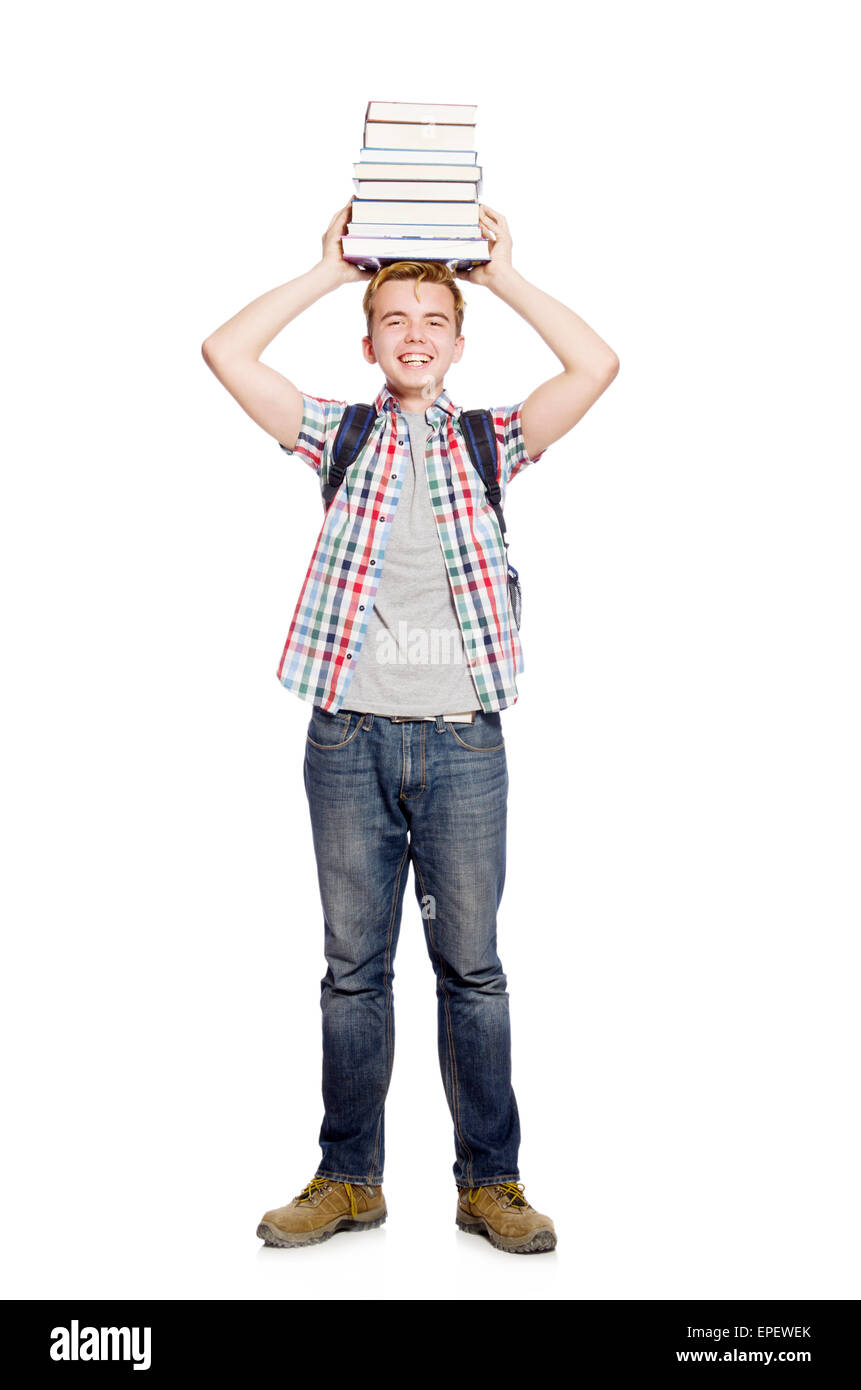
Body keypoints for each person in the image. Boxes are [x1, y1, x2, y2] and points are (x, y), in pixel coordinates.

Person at [202, 200, 619, 1255]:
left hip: (464, 742)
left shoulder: (492, 441)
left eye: (435, 317)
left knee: (471, 967)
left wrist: (507, 275)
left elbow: (597, 365)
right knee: (353, 969)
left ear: (459, 337)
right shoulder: (338, 433)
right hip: (347, 739)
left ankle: (493, 1182)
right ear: (370, 336)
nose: (417, 334)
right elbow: (224, 349)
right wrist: (325, 268)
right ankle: (350, 1178)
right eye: (396, 317)